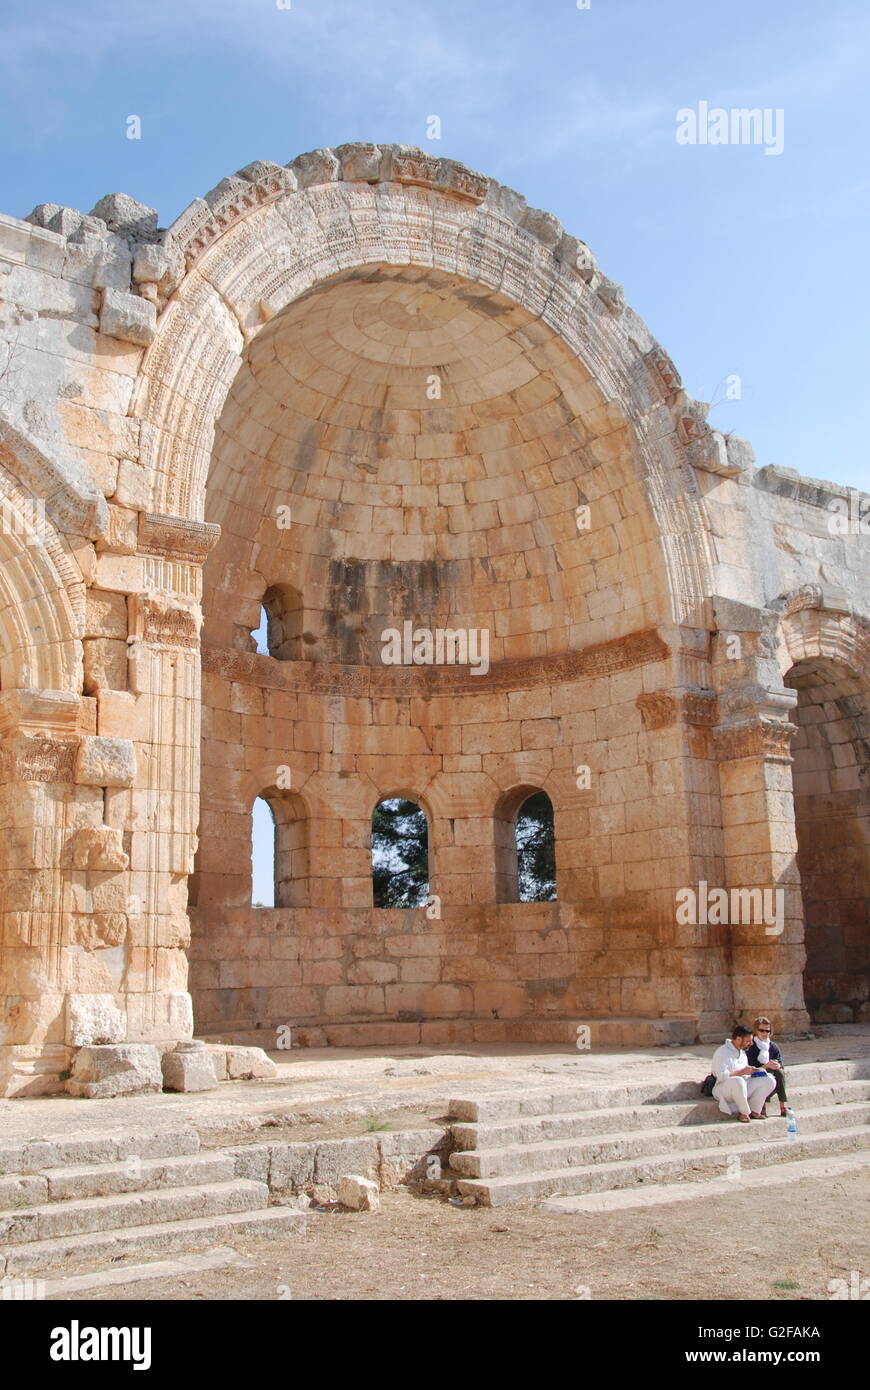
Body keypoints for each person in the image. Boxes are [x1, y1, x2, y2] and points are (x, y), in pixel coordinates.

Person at [711, 1024, 777, 1122]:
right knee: (738, 1081)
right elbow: (721, 1076)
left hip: (742, 1086)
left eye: (751, 1040)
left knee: (770, 1079)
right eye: (748, 1041)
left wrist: (754, 1071)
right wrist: (741, 1072)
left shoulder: (742, 1053)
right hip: (723, 1088)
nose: (751, 1043)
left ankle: (754, 1110)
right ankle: (744, 1113)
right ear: (738, 1039)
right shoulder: (722, 1052)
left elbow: (745, 1074)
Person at [746, 1015, 789, 1117]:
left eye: (767, 1031)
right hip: (755, 1077)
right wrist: (766, 1066)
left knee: (780, 1073)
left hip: (772, 1075)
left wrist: (777, 1065)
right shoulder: (751, 1046)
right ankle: (761, 1106)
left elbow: (780, 1063)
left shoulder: (773, 1046)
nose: (765, 1033)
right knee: (766, 1077)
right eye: (762, 1031)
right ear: (756, 1031)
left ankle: (783, 1106)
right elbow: (750, 1067)